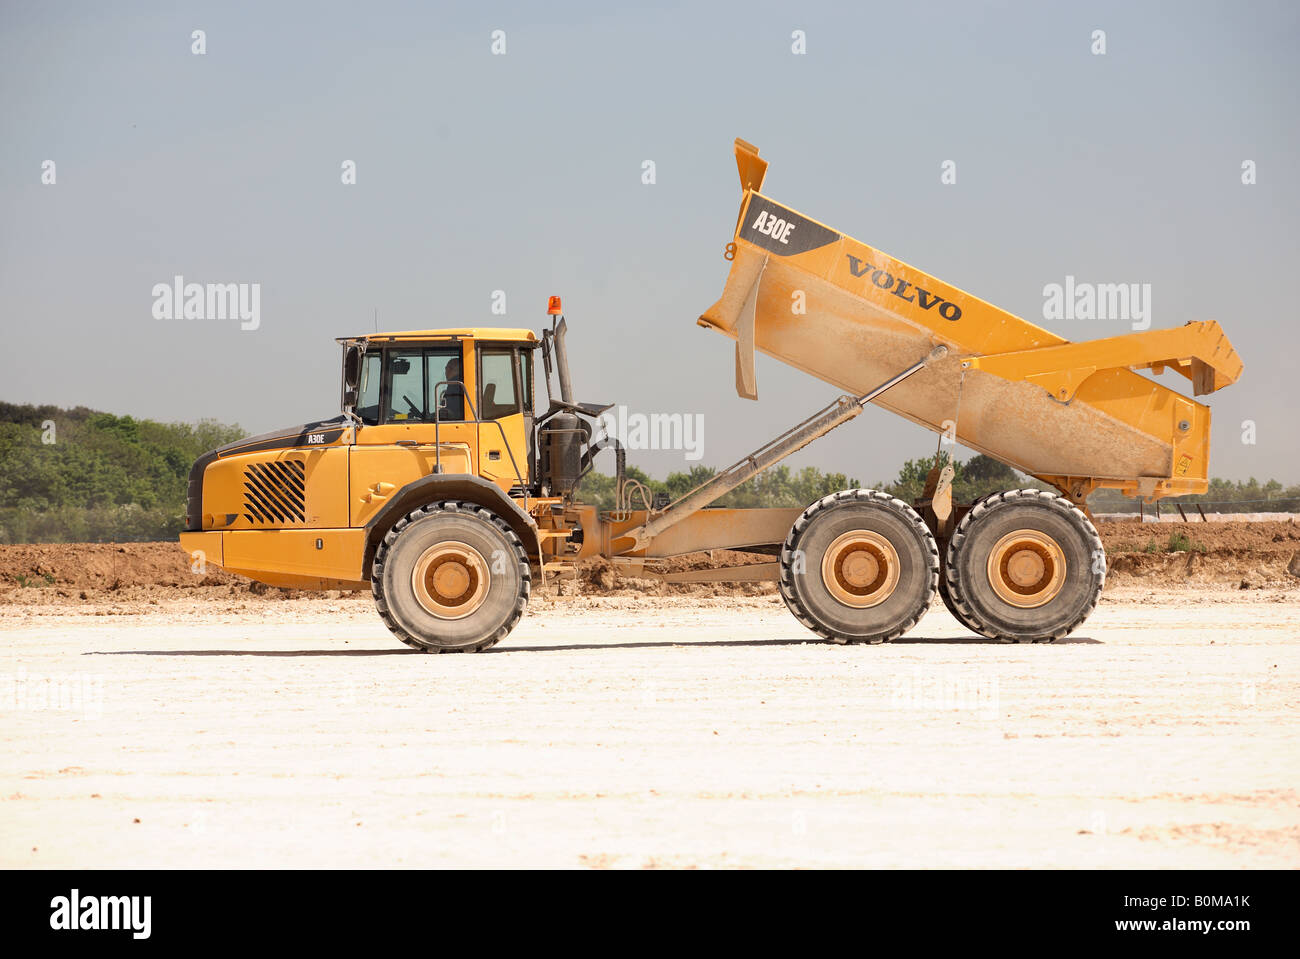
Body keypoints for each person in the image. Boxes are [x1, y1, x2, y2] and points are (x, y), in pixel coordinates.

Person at [437, 356, 466, 421]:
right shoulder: (460, 384)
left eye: (446, 368)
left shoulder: (455, 385)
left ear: (451, 369)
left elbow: (451, 410)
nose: (445, 372)